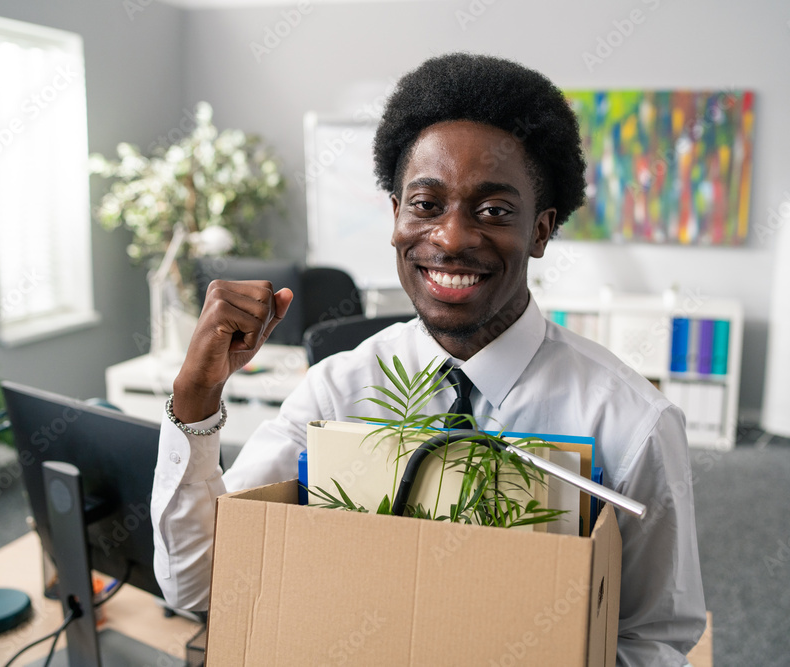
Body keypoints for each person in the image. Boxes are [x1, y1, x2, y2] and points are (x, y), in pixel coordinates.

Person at [151, 52, 706, 665]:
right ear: (395, 216)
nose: (450, 238)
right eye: (426, 204)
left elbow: (655, 639)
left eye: (493, 211)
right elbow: (201, 585)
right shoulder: (336, 391)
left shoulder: (634, 424)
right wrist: (196, 402)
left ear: (542, 232)